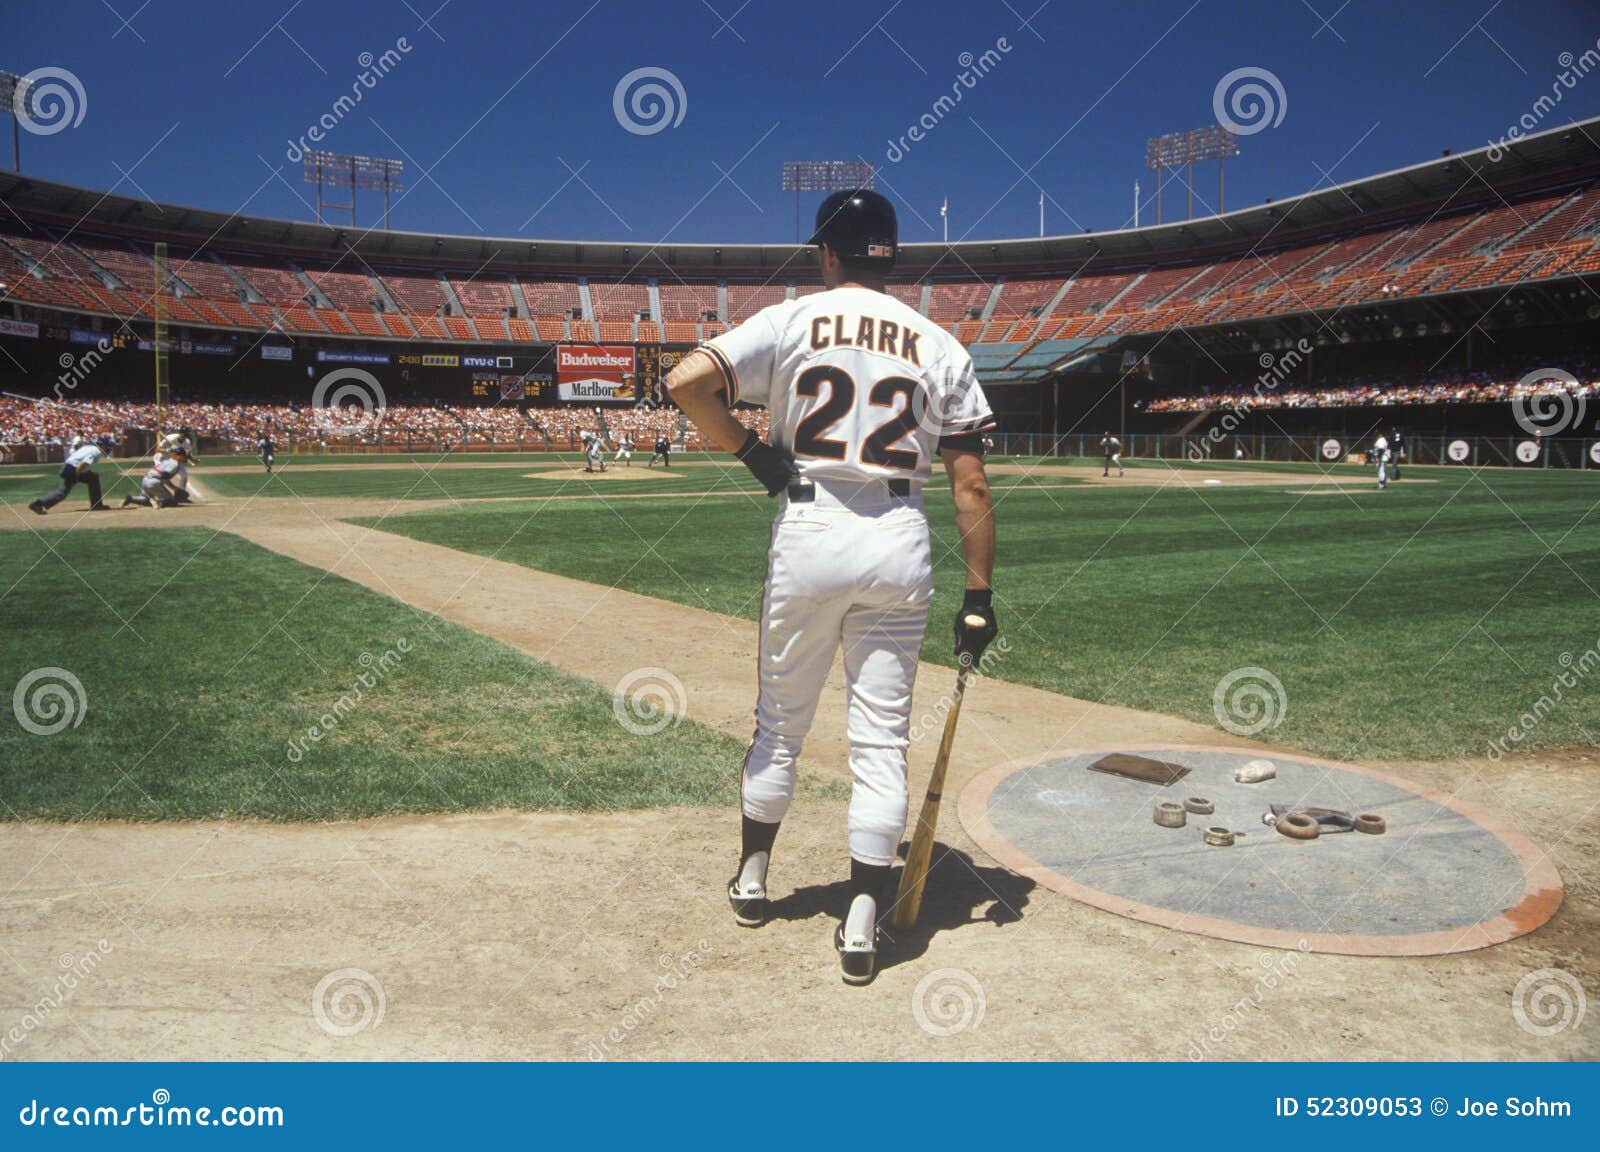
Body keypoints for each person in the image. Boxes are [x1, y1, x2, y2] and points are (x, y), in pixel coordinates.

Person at [666, 189, 999, 985]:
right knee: (881, 740)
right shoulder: (937, 342)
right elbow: (973, 488)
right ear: (891, 255)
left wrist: (754, 454)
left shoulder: (791, 320)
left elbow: (685, 382)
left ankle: (752, 880)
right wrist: (979, 598)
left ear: (827, 254)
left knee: (780, 725)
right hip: (897, 537)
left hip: (809, 527)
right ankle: (860, 920)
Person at [29, 436, 111, 514]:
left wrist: (88, 473)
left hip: (69, 467)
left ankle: (96, 504)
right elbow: (81, 465)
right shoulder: (96, 452)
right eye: (107, 446)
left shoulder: (89, 447)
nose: (108, 448)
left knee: (93, 477)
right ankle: (37, 504)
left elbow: (79, 462)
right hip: (72, 470)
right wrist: (75, 478)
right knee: (62, 493)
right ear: (102, 445)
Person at [122, 449, 186, 508]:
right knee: (172, 502)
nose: (184, 458)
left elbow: (164, 477)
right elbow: (164, 475)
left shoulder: (167, 460)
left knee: (145, 499)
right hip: (153, 483)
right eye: (183, 456)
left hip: (145, 480)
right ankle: (158, 502)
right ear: (179, 456)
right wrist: (175, 489)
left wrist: (174, 488)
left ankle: (130, 499)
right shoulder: (175, 464)